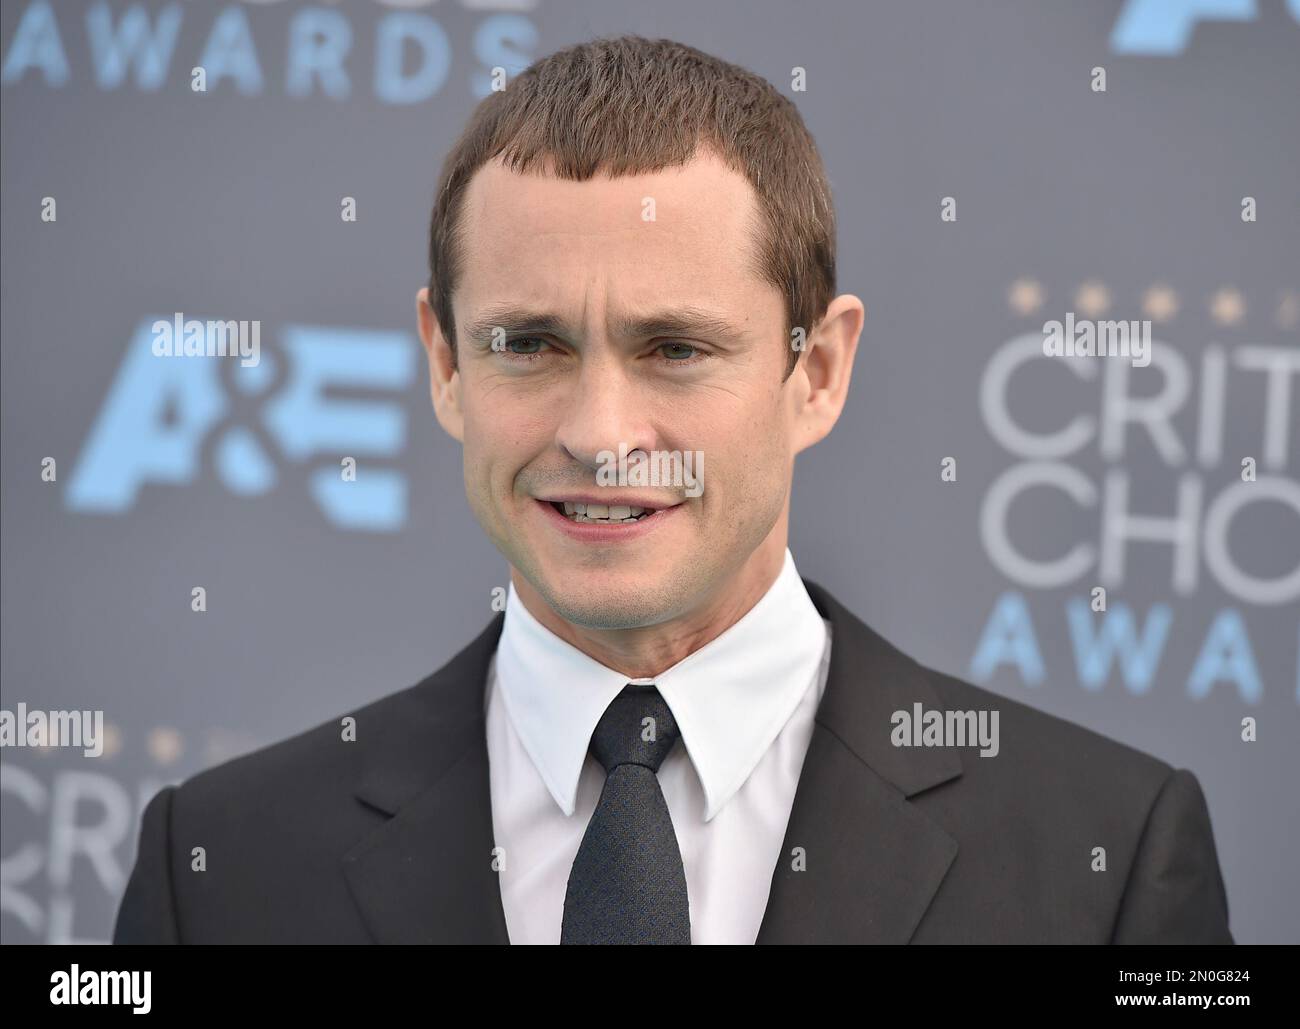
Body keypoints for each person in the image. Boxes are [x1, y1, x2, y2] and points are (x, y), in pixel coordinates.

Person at [114, 35, 1231, 945]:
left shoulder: (1110, 858)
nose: (602, 435)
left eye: (676, 349)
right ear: (445, 363)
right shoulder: (219, 865)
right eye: (531, 344)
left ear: (818, 371)